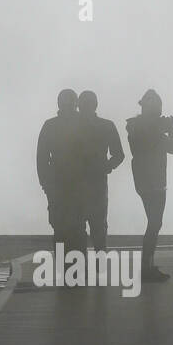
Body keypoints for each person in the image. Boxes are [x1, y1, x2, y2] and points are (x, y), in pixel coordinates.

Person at [125, 88, 173, 282]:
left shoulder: (137, 125)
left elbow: (172, 148)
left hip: (148, 179)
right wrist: (169, 128)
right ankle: (146, 267)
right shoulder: (141, 127)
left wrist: (168, 128)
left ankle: (147, 265)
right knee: (155, 223)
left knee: (154, 222)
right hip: (152, 180)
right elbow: (171, 147)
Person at [75, 90, 124, 249]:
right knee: (93, 228)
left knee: (94, 227)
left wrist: (105, 167)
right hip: (83, 183)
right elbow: (119, 155)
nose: (85, 107)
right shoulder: (105, 125)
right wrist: (105, 167)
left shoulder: (105, 126)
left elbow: (119, 155)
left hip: (90, 183)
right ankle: (93, 266)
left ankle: (89, 266)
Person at [36, 89, 85, 249]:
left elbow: (42, 159)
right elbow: (42, 159)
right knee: (68, 229)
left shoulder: (51, 125)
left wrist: (46, 185)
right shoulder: (82, 123)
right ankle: (73, 269)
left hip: (71, 185)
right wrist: (47, 185)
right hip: (62, 186)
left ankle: (69, 269)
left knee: (68, 229)